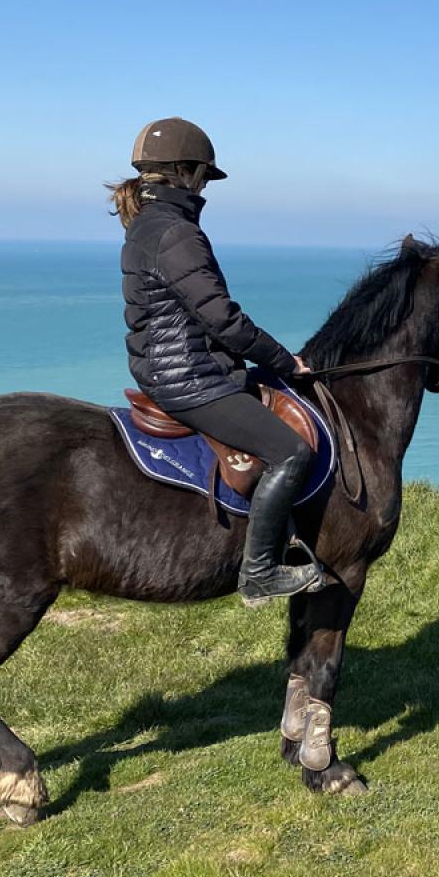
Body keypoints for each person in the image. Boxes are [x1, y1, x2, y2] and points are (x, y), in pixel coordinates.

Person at [110, 117, 331, 605]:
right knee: (291, 451)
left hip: (165, 370)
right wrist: (286, 361)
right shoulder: (177, 233)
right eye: (205, 177)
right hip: (191, 379)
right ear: (186, 172)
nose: (206, 186)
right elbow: (223, 321)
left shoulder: (145, 225)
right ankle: (260, 575)